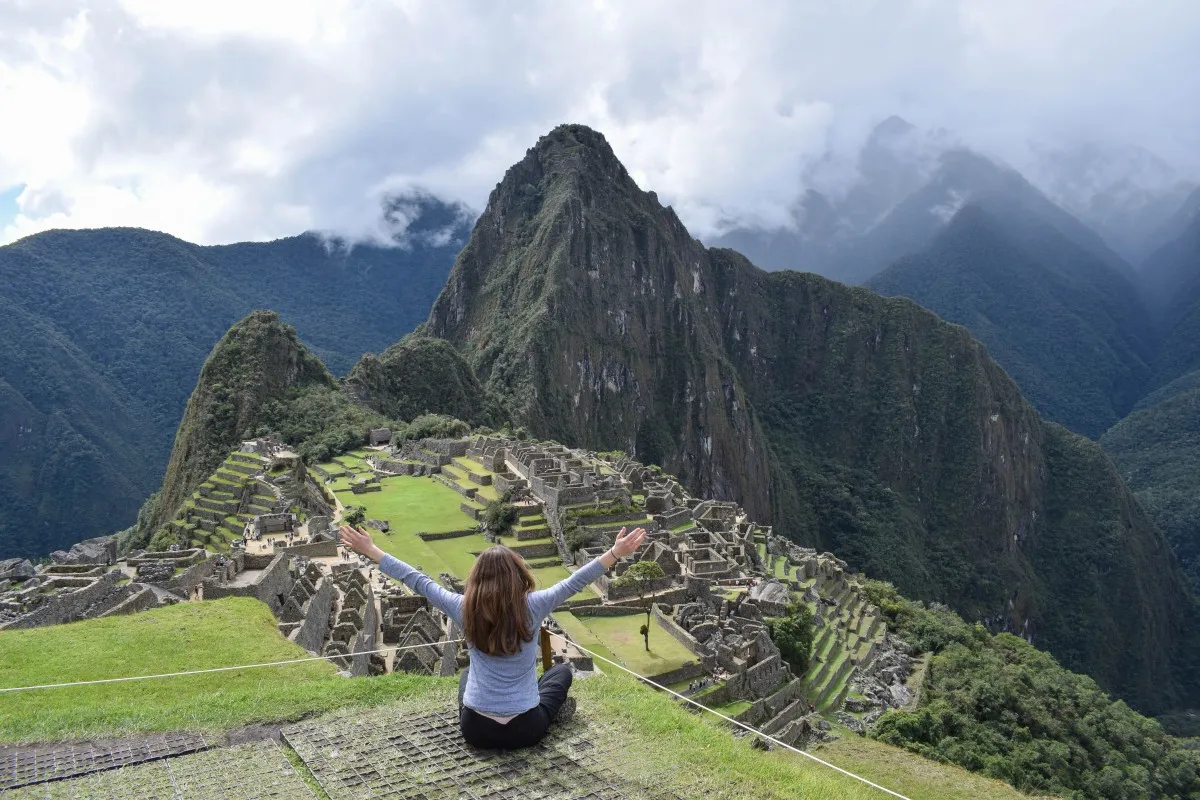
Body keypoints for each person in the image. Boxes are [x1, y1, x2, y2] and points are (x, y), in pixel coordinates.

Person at [340, 523, 647, 750]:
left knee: (466, 677)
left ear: (478, 577)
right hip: (526, 730)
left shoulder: (463, 607)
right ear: (518, 574)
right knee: (562, 672)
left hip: (476, 731)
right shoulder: (534, 605)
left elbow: (417, 580)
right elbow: (574, 582)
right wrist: (615, 553)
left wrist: (370, 550)